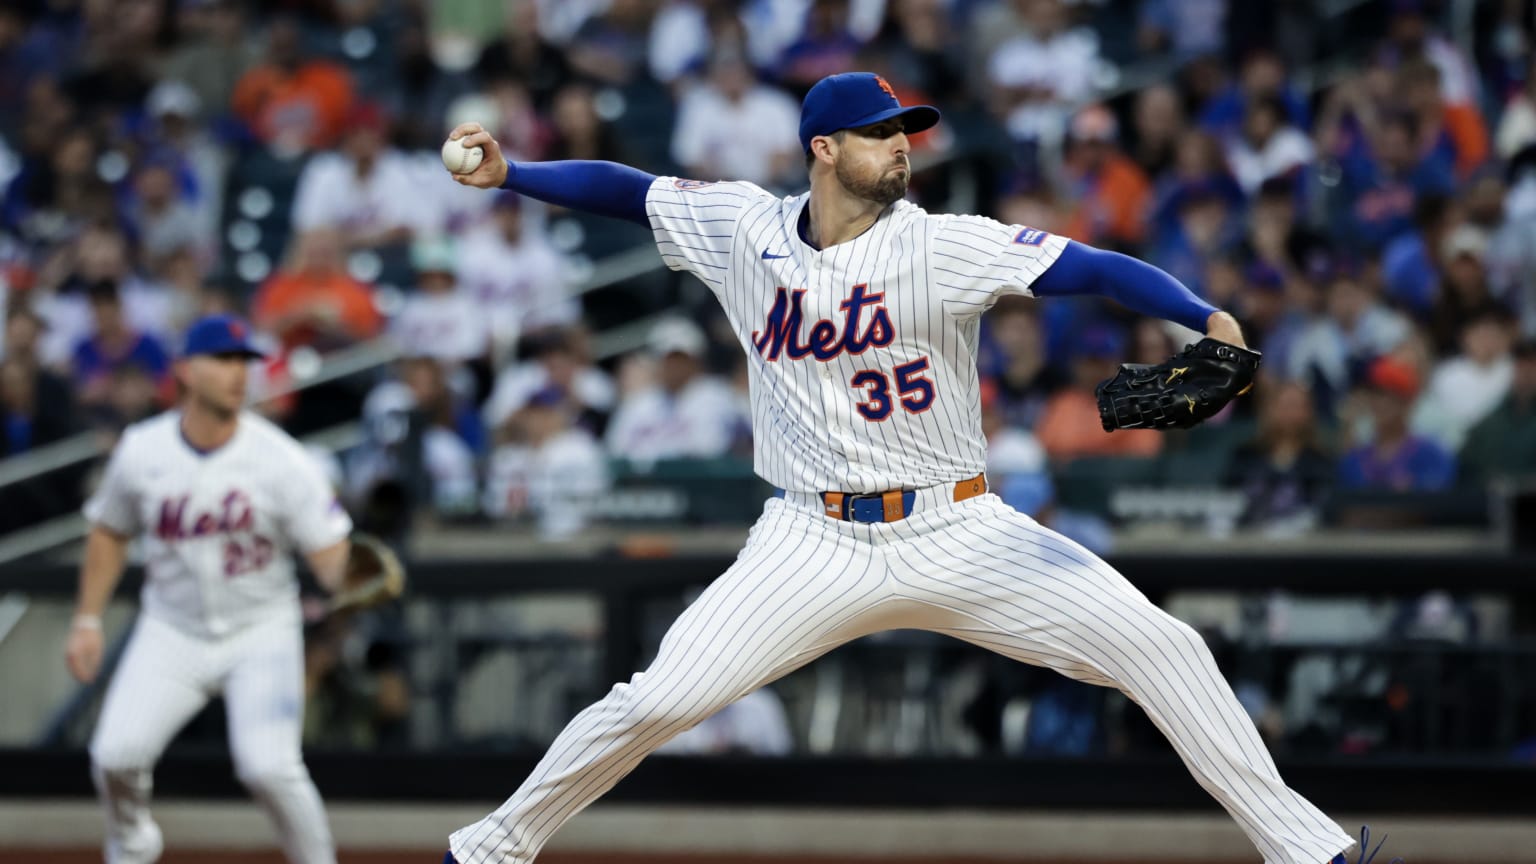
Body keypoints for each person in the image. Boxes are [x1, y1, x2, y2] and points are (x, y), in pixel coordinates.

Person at [440, 71, 1359, 864]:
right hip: (811, 538)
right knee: (655, 703)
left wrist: (1208, 318)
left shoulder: (938, 243)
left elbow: (1091, 267)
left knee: (1166, 648)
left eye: (906, 131)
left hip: (959, 528)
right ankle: (490, 847)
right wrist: (514, 173)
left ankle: (1311, 850)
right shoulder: (742, 227)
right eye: (881, 133)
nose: (902, 146)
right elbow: (626, 189)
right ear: (824, 148)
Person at [63, 314, 354, 864]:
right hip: (171, 628)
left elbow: (331, 553)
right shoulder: (143, 449)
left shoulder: (284, 460)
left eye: (244, 361)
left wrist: (350, 578)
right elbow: (109, 530)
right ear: (184, 370)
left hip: (261, 629)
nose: (238, 373)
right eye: (223, 360)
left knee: (269, 768)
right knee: (114, 757)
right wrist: (87, 620)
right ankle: (133, 845)